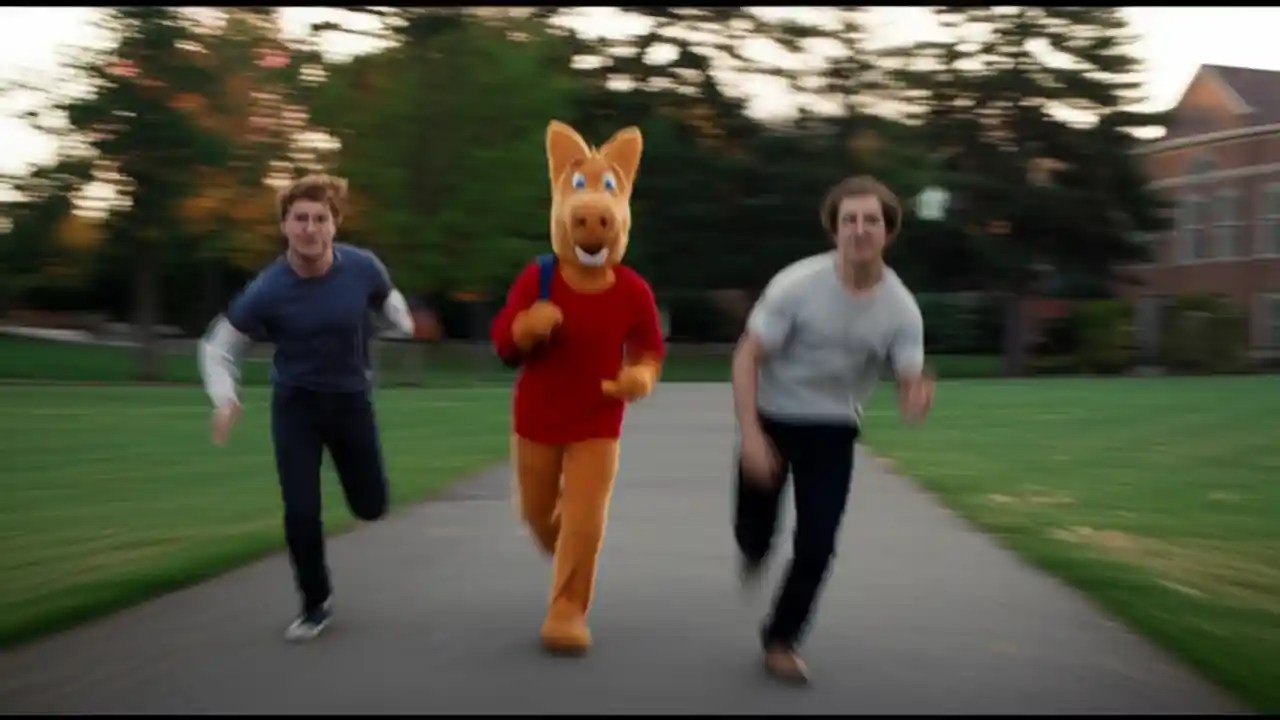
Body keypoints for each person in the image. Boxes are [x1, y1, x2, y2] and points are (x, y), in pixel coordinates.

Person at [731, 175, 935, 684]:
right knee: (755, 531)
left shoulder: (900, 308)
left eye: (871, 221)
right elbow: (747, 356)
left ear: (888, 231)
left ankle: (781, 640)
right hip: (773, 419)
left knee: (818, 542)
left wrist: (914, 396)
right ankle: (753, 549)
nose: (860, 230)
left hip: (833, 429)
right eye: (850, 220)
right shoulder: (797, 285)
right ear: (834, 229)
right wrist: (751, 434)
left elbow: (908, 377)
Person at [198, 173, 416, 642]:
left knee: (371, 506)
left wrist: (403, 319)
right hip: (296, 407)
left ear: (335, 225)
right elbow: (218, 346)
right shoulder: (268, 289)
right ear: (285, 226)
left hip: (351, 402)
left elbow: (386, 295)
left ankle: (364, 499)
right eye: (300, 219)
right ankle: (315, 603)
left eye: (320, 219)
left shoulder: (362, 266)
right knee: (300, 510)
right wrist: (225, 397)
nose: (310, 229)